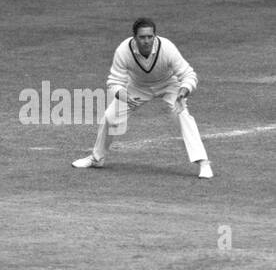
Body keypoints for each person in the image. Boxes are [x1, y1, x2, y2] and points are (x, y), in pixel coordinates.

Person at [72, 17, 212, 178]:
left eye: (150, 37)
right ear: (134, 38)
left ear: (154, 36)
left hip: (168, 85)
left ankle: (203, 163)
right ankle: (97, 159)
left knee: (181, 115)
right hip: (137, 87)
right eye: (142, 37)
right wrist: (123, 95)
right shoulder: (123, 50)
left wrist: (183, 92)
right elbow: (114, 81)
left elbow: (189, 75)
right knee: (110, 117)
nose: (146, 41)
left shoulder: (167, 48)